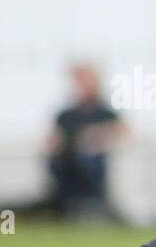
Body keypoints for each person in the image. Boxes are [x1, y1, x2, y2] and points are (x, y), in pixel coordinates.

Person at [44, 62, 129, 220]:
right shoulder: (66, 115)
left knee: (88, 160)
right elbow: (53, 139)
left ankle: (95, 206)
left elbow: (124, 132)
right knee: (56, 163)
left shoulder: (104, 112)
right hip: (67, 161)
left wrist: (98, 136)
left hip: (93, 161)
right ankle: (65, 207)